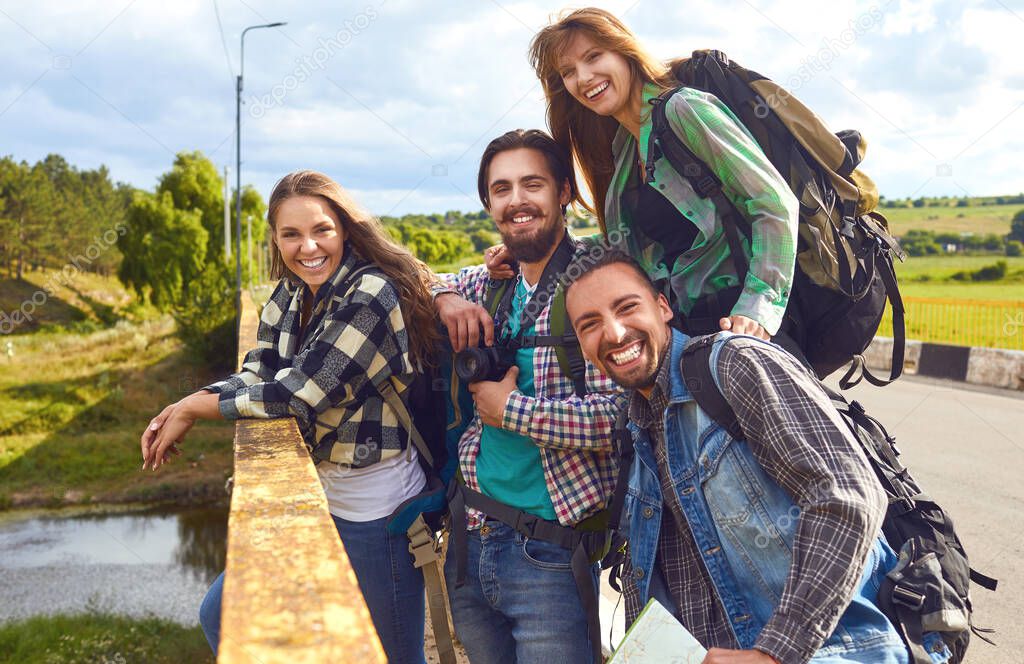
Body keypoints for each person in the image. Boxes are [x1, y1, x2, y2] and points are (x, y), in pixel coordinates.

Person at [139, 170, 439, 663]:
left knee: (393, 656)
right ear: (275, 240)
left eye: (321, 229)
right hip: (314, 493)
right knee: (222, 613)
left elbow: (301, 394)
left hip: (376, 507)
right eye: (291, 234)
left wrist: (196, 407)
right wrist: (189, 400)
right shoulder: (288, 295)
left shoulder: (370, 294)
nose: (308, 247)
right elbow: (259, 372)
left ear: (344, 228)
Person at [563, 250, 914, 664]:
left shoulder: (733, 363)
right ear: (583, 346)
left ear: (663, 306)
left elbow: (846, 496)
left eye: (627, 307)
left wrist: (774, 652)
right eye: (590, 324)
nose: (616, 332)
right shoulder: (637, 433)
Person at [489, 8, 799, 344]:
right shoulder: (625, 149)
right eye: (569, 72)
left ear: (624, 51)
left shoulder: (684, 110)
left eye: (594, 57)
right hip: (688, 328)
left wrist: (757, 309)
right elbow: (623, 245)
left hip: (742, 326)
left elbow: (774, 201)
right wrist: (536, 248)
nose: (584, 77)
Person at [432, 128, 625, 663]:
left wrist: (512, 412)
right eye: (501, 189)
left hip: (553, 554)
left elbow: (620, 418)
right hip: (471, 542)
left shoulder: (599, 280)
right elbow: (416, 280)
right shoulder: (490, 283)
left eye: (531, 184)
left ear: (563, 191)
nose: (516, 200)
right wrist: (447, 299)